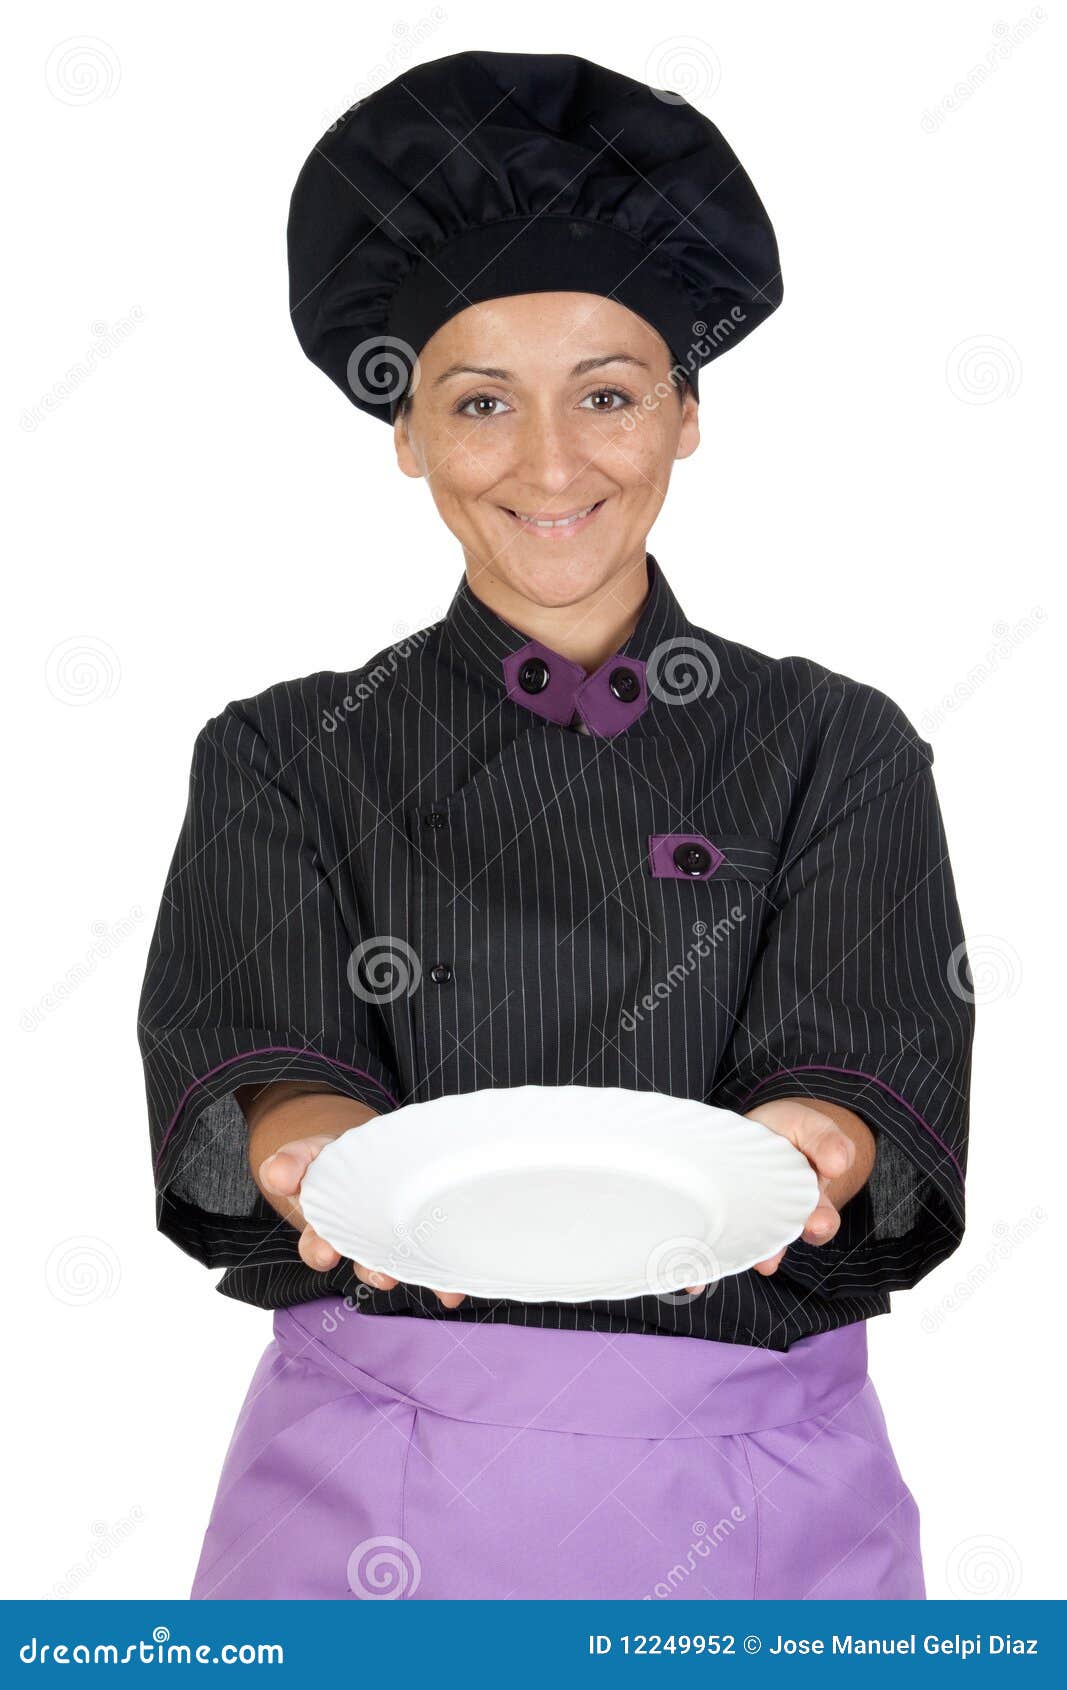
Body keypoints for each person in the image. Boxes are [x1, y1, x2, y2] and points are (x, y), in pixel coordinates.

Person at [137, 49, 972, 1601]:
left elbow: (858, 1061)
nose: (549, 465)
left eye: (605, 392)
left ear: (685, 411)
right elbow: (270, 1060)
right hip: (371, 1490)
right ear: (406, 433)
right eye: (478, 403)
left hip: (756, 1501)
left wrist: (817, 1141)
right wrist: (305, 1149)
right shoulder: (281, 754)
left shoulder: (837, 745)